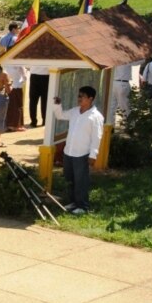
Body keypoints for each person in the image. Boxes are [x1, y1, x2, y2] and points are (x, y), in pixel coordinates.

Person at [52, 86, 104, 214]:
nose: (79, 98)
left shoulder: (96, 116)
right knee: (69, 178)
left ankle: (83, 206)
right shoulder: (75, 111)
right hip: (68, 152)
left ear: (90, 99)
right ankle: (73, 202)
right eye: (79, 96)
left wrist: (93, 155)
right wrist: (57, 105)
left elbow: (96, 137)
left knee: (81, 180)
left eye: (82, 96)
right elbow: (60, 116)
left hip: (82, 154)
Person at [4, 64, 26, 131]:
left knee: (15, 106)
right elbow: (24, 77)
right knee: (15, 106)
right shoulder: (7, 64)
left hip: (14, 87)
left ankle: (14, 125)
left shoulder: (8, 63)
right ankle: (14, 125)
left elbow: (24, 77)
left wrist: (20, 84)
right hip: (12, 87)